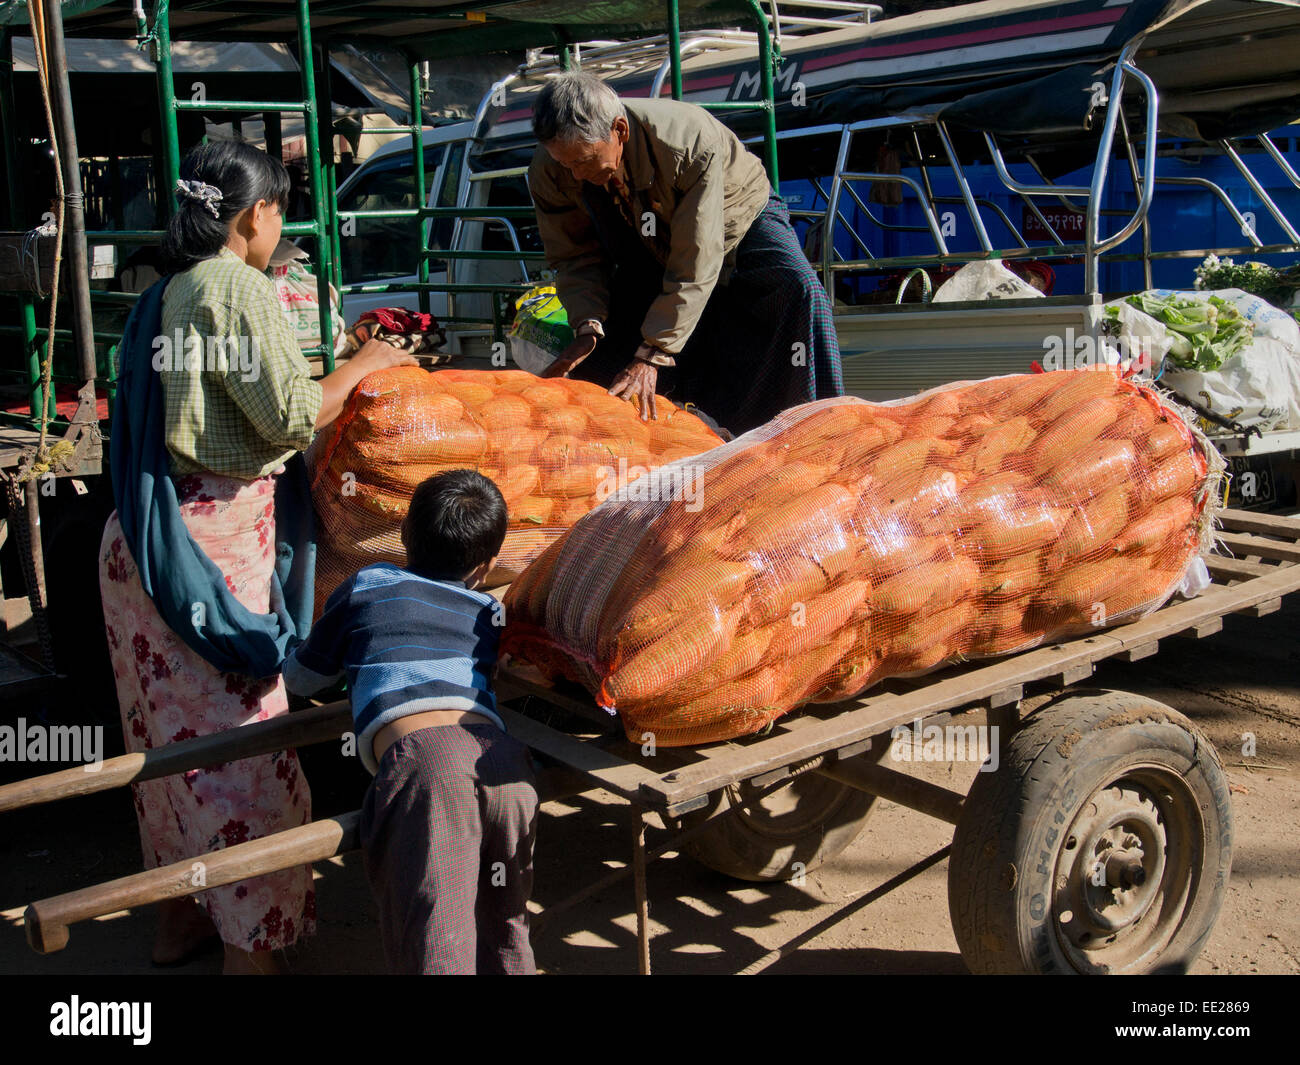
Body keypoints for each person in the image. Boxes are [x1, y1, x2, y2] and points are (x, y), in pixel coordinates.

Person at [99, 140, 417, 974]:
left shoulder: (166, 287)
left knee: (166, 750)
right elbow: (284, 418)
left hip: (141, 541)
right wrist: (369, 363)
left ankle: (180, 922)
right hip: (209, 543)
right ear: (254, 215)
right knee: (244, 748)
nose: (281, 225)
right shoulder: (236, 284)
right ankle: (254, 955)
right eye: (279, 210)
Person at [282, 470, 538, 975]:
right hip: (507, 764)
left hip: (431, 770)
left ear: (402, 534)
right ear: (485, 567)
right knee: (505, 927)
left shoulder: (368, 585)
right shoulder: (488, 610)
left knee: (437, 937)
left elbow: (303, 679)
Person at [527, 71, 843, 434]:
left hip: (736, 214)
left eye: (584, 160)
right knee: (615, 336)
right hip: (642, 226)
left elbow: (696, 256)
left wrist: (654, 352)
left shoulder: (689, 142)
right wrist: (587, 325)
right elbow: (574, 256)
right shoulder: (552, 170)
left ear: (620, 130)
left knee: (797, 288)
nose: (576, 174)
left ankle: (818, 430)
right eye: (566, 164)